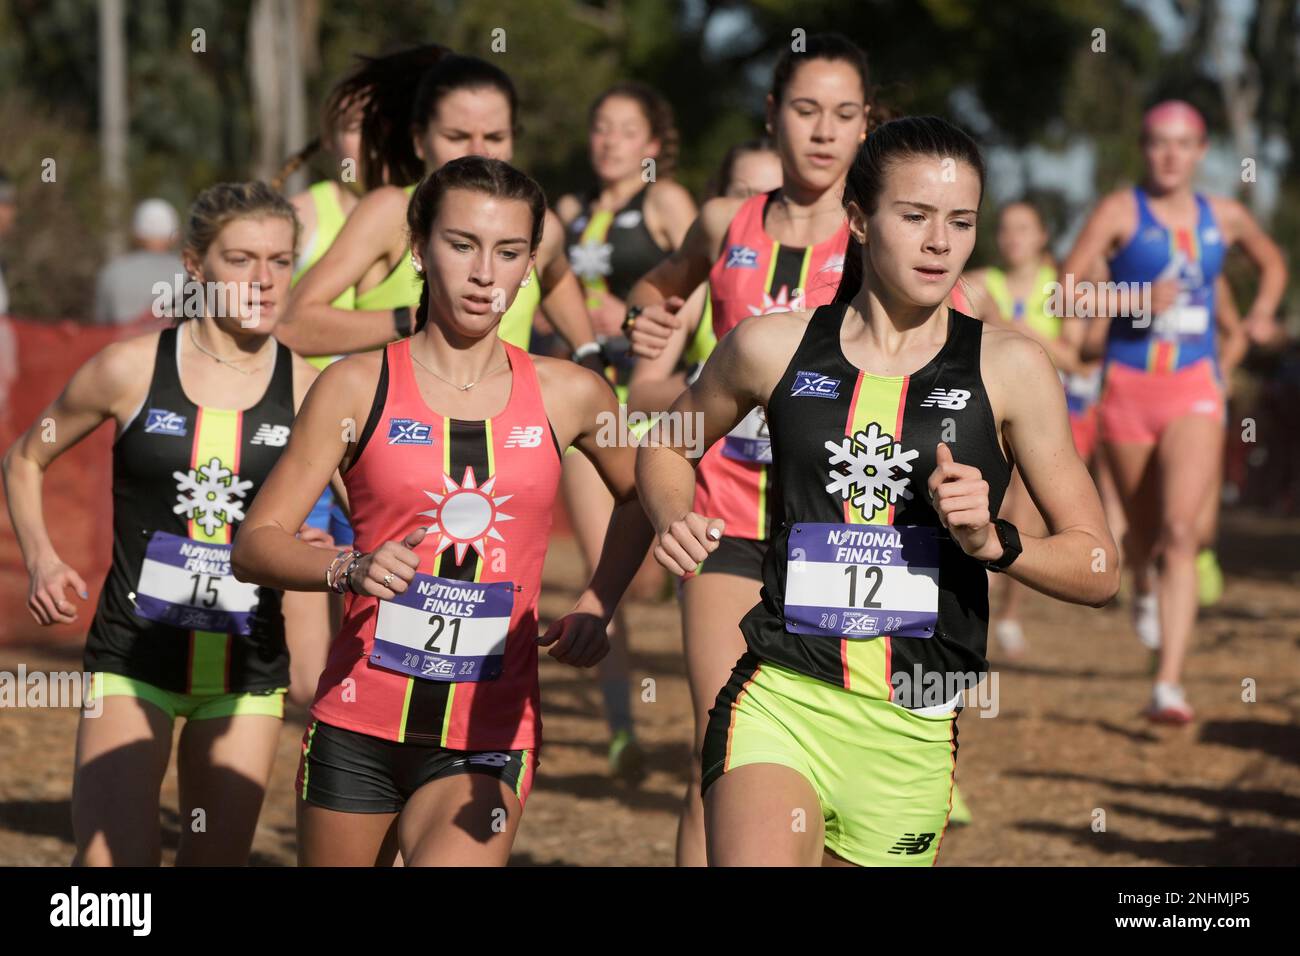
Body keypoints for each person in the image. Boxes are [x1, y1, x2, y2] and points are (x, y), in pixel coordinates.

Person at [637, 115, 1119, 867]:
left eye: (961, 222)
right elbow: (668, 442)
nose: (940, 243)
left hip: (913, 726)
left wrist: (996, 542)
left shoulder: (1011, 366)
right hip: (783, 697)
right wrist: (672, 513)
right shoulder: (774, 344)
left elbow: (1099, 568)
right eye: (915, 216)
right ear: (859, 221)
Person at [231, 156, 654, 867]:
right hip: (357, 723)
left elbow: (645, 493)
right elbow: (255, 544)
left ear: (529, 268)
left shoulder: (571, 394)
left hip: (489, 732)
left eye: (509, 252)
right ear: (420, 249)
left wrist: (598, 599)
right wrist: (348, 567)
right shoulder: (354, 385)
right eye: (462, 245)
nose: (486, 273)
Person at [2, 182, 327, 865]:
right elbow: (26, 457)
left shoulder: (312, 390)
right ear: (194, 266)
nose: (264, 281)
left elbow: (373, 507)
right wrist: (43, 558)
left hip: (246, 674)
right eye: (241, 260)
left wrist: (323, 551)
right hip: (132, 662)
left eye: (280, 261)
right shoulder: (129, 369)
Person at [621, 33, 870, 865]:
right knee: (721, 746)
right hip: (723, 509)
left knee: (828, 761)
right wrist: (648, 324)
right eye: (805, 110)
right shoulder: (728, 220)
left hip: (839, 530)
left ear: (868, 126)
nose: (823, 132)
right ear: (772, 116)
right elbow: (660, 286)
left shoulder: (883, 241)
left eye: (843, 114)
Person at [1060, 99, 1286, 723]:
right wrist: (1131, 294)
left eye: (1183, 144)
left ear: (1201, 150)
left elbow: (1272, 262)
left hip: (1195, 389)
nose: (1170, 154)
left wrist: (1263, 312)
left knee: (1185, 533)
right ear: (1143, 146)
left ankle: (1168, 685)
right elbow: (1064, 290)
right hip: (1129, 390)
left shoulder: (1226, 215)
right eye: (1159, 142)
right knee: (1142, 534)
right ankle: (1142, 580)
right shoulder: (1117, 211)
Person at [276, 46, 602, 370]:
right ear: (420, 140)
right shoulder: (391, 211)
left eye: (495, 136)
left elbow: (557, 277)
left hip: (505, 422)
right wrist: (419, 316)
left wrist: (588, 353)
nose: (479, 151)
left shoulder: (538, 222)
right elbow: (291, 325)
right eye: (457, 136)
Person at [553, 82, 697, 779]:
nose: (608, 140)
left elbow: (704, 284)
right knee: (606, 569)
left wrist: (646, 330)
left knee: (673, 570)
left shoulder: (665, 201)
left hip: (668, 407)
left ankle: (719, 721)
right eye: (600, 127)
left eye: (624, 129)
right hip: (594, 406)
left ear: (651, 144)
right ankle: (622, 733)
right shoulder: (571, 213)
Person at [960, 201, 1097, 657]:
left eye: (1024, 228)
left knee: (1026, 514)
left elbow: (1077, 359)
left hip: (1049, 417)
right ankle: (981, 604)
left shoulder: (1061, 289)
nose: (1012, 237)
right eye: (1005, 228)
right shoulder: (979, 282)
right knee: (989, 505)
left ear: (1042, 235)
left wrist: (1008, 326)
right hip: (991, 410)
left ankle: (1010, 610)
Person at [93, 199, 187, 325]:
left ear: (136, 234)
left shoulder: (112, 272)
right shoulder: (190, 273)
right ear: (175, 236)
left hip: (122, 342)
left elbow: (100, 328)